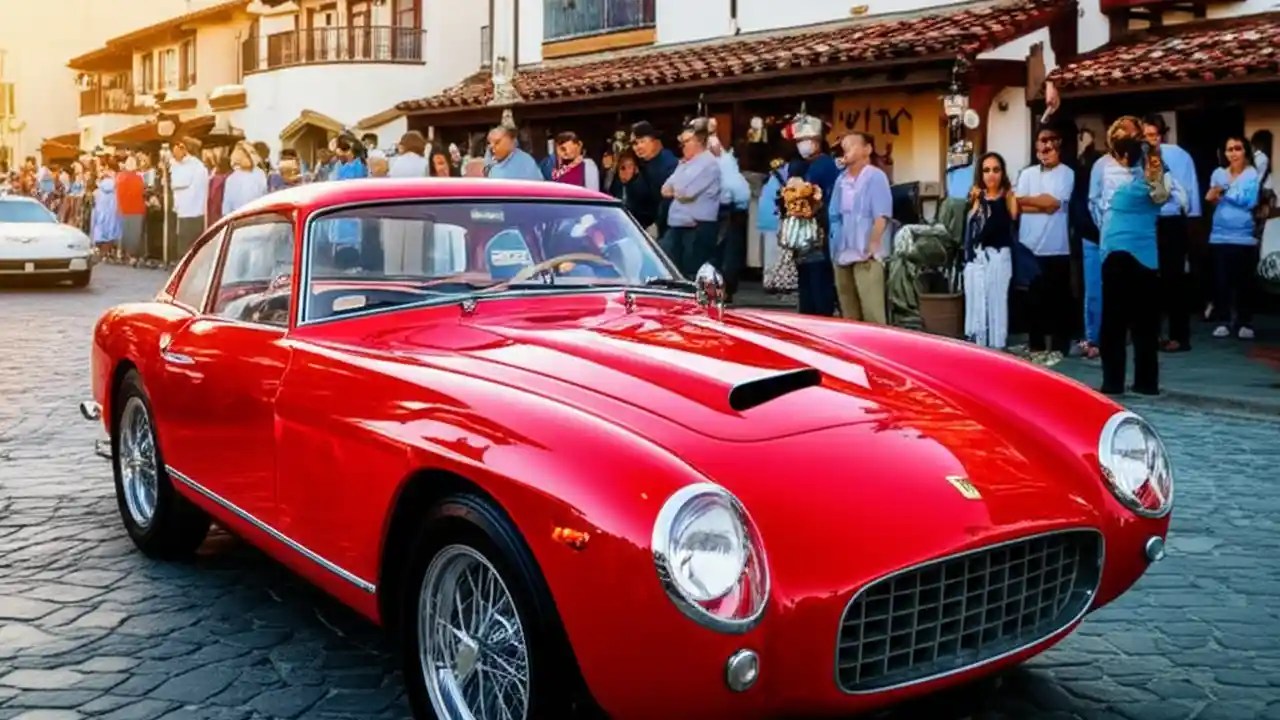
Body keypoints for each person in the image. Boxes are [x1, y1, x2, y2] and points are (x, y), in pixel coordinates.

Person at [1097, 123, 1170, 396]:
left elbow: (1161, 196)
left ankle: (1124, 383)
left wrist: (1152, 167)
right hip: (1127, 252)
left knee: (1126, 323)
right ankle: (1135, 383)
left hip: (1131, 252)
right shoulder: (1111, 169)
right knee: (1138, 323)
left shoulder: (1150, 170)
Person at [1015, 125, 1075, 362]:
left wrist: (1032, 203)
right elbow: (1018, 205)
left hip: (1056, 247)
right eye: (1041, 141)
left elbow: (1053, 204)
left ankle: (1060, 346)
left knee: (1058, 298)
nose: (1045, 146)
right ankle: (1036, 346)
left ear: (1058, 143)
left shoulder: (1067, 173)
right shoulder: (1027, 173)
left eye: (1050, 140)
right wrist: (1038, 203)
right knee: (1032, 301)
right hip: (1029, 246)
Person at [1141, 115, 1198, 353]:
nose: (1149, 140)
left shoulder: (1178, 155)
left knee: (1174, 280)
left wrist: (1192, 222)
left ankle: (1179, 336)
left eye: (1153, 134)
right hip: (1146, 221)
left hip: (1172, 220)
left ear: (1161, 134)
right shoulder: (1138, 157)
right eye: (1144, 135)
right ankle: (1150, 334)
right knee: (1147, 280)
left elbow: (1189, 193)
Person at [828, 132, 892, 324]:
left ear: (867, 149)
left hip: (866, 254)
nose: (847, 150)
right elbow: (834, 214)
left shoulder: (875, 176)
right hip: (842, 252)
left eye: (852, 145)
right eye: (844, 147)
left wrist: (873, 244)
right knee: (849, 314)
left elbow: (881, 215)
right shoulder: (841, 180)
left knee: (872, 314)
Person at [1206, 135, 1261, 340]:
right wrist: (1219, 194)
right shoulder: (1218, 173)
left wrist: (1225, 190)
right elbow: (1212, 199)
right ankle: (1223, 320)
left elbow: (1248, 200)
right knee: (1221, 281)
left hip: (1243, 236)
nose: (1233, 153)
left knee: (1244, 281)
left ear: (1245, 151)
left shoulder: (1251, 174)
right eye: (1229, 149)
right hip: (1219, 235)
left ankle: (1244, 322)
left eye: (1238, 148)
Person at [962, 152, 1019, 348]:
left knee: (997, 305)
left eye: (996, 170)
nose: (991, 175)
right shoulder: (976, 197)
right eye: (986, 170)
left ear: (1002, 172)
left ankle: (998, 347)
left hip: (1000, 257)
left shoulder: (1009, 196)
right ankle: (979, 347)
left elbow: (1012, 220)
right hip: (978, 260)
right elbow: (970, 228)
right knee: (978, 306)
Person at [659, 119, 721, 277]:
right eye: (682, 141)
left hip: (697, 227)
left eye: (686, 141)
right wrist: (677, 189)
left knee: (692, 274)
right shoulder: (683, 164)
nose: (682, 145)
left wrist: (677, 188)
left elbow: (685, 192)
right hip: (677, 225)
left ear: (699, 141)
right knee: (668, 268)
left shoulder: (709, 163)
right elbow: (665, 189)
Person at [1071, 128, 1104, 359]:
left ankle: (1100, 337)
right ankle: (1093, 337)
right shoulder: (1078, 169)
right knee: (1093, 291)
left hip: (1108, 234)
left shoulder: (1101, 164)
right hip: (1090, 235)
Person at [629, 121, 680, 237]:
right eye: (635, 144)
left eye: (642, 141)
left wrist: (657, 225)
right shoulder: (643, 167)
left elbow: (670, 198)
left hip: (671, 229)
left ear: (654, 141)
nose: (638, 147)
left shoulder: (669, 164)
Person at [168, 136, 209, 259]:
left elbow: (178, 182)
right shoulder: (187, 165)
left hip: (191, 210)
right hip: (186, 210)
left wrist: (173, 164)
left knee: (187, 244)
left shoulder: (193, 165)